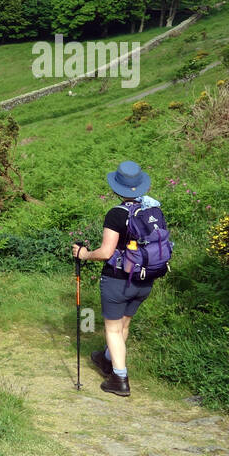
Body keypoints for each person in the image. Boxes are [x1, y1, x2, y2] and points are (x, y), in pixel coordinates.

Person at [72, 160, 157, 397]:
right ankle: (107, 359)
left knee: (112, 329)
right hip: (144, 280)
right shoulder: (152, 211)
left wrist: (84, 254)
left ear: (116, 188)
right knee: (123, 325)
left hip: (118, 280)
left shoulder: (116, 214)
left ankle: (119, 379)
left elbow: (107, 252)